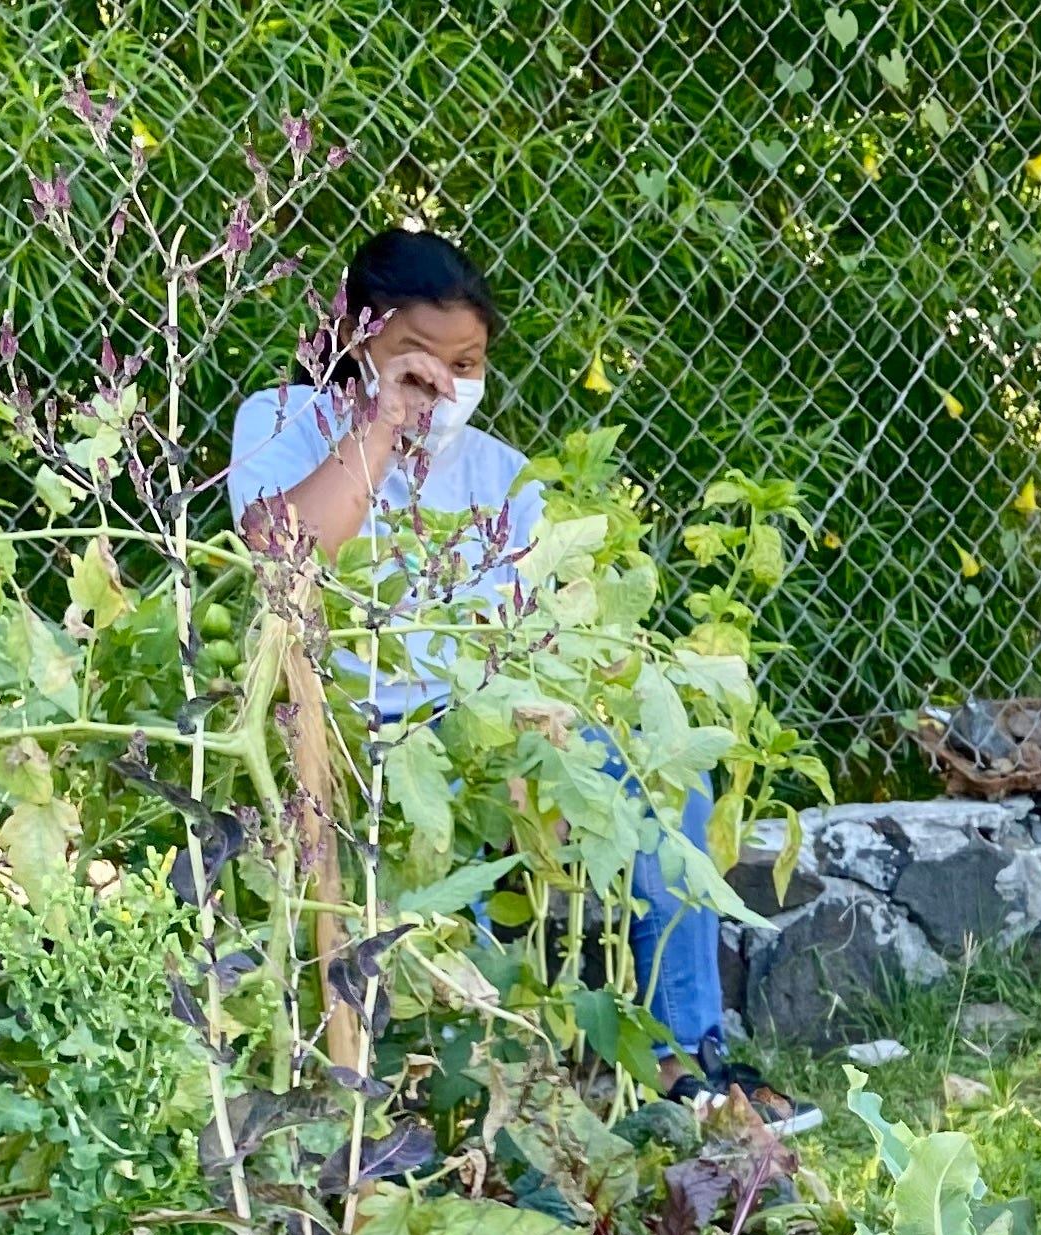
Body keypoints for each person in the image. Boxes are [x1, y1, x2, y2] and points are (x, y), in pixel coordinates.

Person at [227, 227, 742, 1092]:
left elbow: (536, 638)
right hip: (350, 729)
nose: (444, 385)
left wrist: (528, 734)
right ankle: (470, 1078)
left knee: (666, 780)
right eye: (416, 359)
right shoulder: (282, 420)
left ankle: (687, 1060)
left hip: (488, 724)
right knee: (440, 836)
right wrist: (382, 424)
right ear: (357, 339)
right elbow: (286, 550)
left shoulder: (504, 475)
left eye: (466, 365)